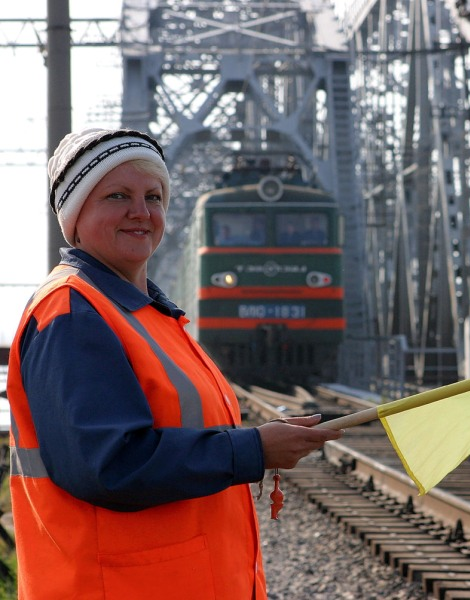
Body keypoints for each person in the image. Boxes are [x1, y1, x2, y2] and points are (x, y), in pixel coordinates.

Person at [6, 128, 342, 599]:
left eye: (154, 197)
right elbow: (110, 465)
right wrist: (254, 450)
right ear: (75, 216)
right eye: (117, 195)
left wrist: (257, 442)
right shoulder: (73, 313)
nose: (141, 212)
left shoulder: (150, 315)